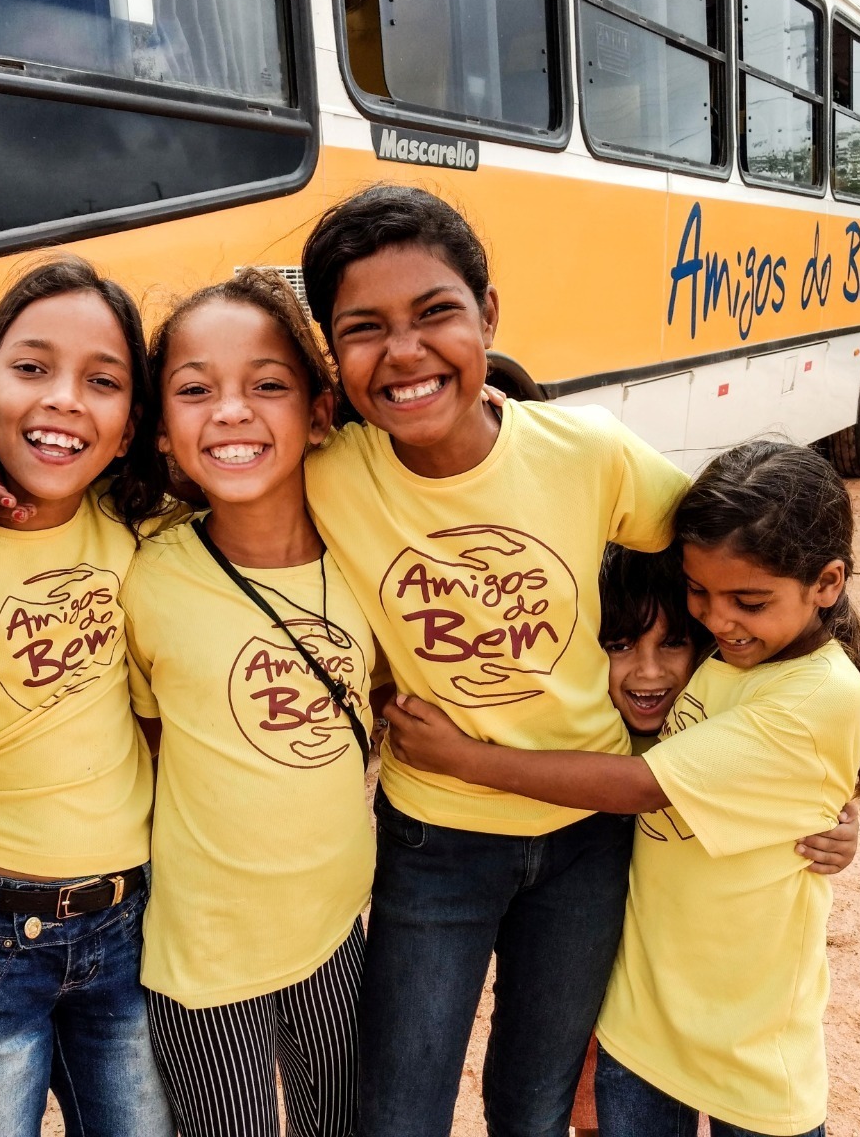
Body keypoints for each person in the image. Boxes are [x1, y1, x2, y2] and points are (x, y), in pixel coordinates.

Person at [293, 184, 688, 1137]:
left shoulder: (588, 454)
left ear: (488, 318)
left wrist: (817, 760)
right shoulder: (321, 474)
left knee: (535, 1102)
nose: (404, 352)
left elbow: (753, 555)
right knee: (401, 1109)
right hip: (433, 845)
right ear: (332, 353)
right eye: (364, 328)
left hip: (589, 834)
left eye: (436, 313)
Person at [385, 440, 860, 1137]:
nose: (718, 618)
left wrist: (461, 757)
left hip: (751, 1048)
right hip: (642, 1036)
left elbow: (640, 785)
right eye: (701, 595)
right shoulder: (729, 660)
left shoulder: (808, 691)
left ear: (828, 585)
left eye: (746, 600)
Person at [0, 255, 171, 1137]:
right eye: (33, 369)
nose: (64, 399)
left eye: (101, 382)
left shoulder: (138, 532)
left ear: (132, 422)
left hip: (126, 930)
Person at [123, 268, 375, 1137]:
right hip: (204, 957)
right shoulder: (146, 577)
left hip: (339, 931)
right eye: (195, 391)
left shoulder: (369, 558)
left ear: (318, 411)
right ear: (161, 430)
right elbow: (151, 735)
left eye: (268, 385)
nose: (231, 412)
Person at [567, 544, 860, 1135]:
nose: (648, 672)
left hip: (748, 1046)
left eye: (673, 642)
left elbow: (800, 782)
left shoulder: (732, 707)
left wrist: (842, 830)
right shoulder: (578, 733)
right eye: (618, 645)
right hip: (626, 1026)